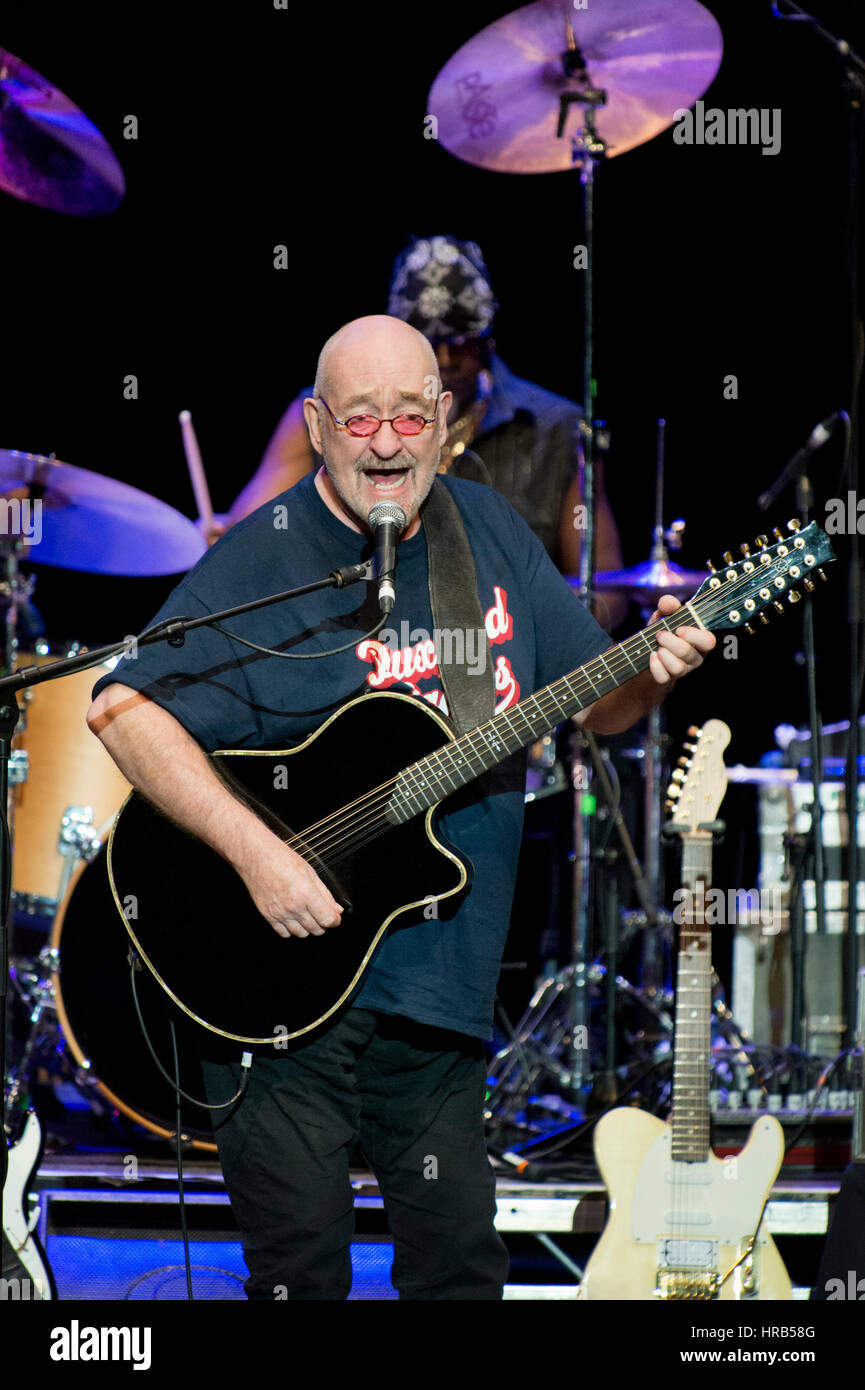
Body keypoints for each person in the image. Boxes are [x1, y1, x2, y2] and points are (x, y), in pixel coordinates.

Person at [87, 315, 714, 1300]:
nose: (386, 442)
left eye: (409, 418)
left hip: (439, 995)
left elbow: (597, 701)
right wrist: (259, 855)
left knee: (460, 1274)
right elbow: (120, 707)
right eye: (361, 419)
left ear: (446, 420)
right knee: (302, 1277)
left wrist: (656, 674)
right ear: (319, 426)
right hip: (272, 1000)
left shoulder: (490, 530)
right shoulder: (271, 551)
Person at [211, 235, 626, 629]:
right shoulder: (329, 413)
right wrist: (227, 537)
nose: (444, 358)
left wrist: (541, 627)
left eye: (461, 341)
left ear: (489, 337)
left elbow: (607, 590)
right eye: (429, 341)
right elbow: (252, 534)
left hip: (500, 653)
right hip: (356, 647)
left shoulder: (558, 428)